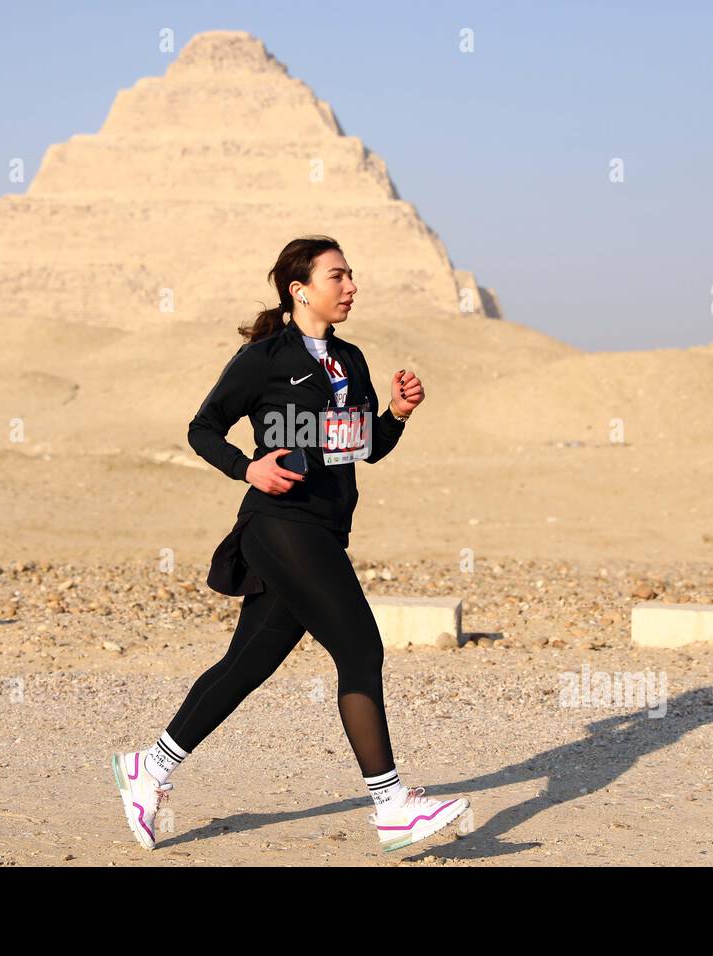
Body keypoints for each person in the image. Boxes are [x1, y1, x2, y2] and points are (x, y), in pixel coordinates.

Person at [112, 235, 471, 854]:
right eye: (338, 276)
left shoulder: (352, 360)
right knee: (360, 648)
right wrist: (245, 467)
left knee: (248, 664)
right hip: (280, 524)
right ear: (298, 289)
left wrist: (397, 414)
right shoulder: (263, 359)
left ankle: (151, 767)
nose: (351, 286)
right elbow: (202, 429)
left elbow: (364, 448)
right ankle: (390, 807)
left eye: (352, 275)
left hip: (324, 528)